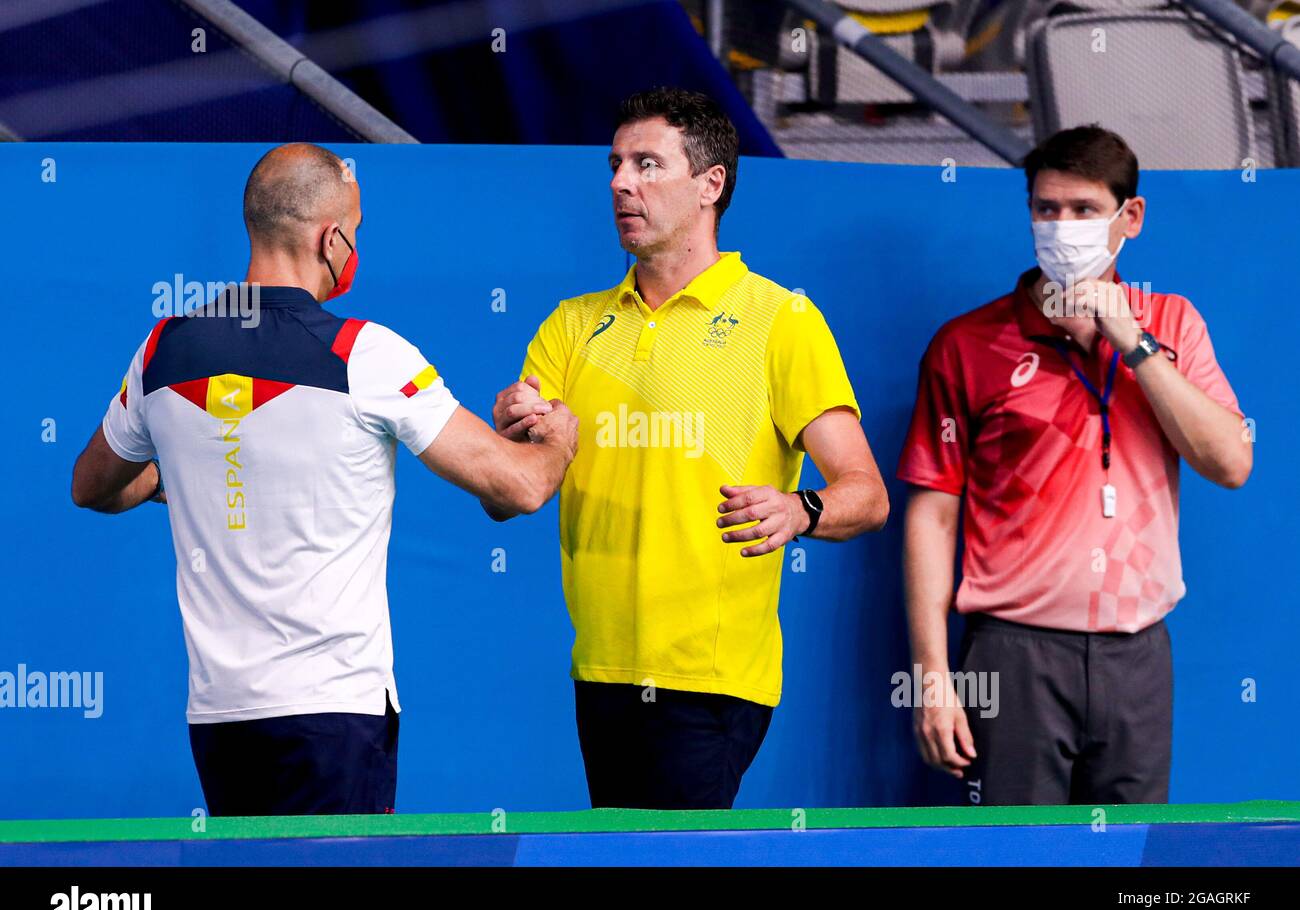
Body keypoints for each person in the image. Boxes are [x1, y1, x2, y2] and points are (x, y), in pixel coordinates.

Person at [71, 143, 577, 816]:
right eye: (356, 233)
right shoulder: (363, 354)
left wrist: (185, 473)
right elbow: (520, 487)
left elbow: (92, 485)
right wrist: (560, 442)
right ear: (329, 238)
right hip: (337, 712)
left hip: (221, 718)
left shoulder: (163, 351)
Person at [492, 88, 890, 810]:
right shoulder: (573, 325)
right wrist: (515, 430)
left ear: (712, 184)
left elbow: (866, 491)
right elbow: (506, 495)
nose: (620, 182)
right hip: (602, 669)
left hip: (710, 678)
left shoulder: (781, 320)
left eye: (648, 164)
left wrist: (801, 509)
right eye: (616, 164)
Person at [899, 126, 1251, 806]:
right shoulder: (967, 344)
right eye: (1046, 209)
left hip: (1139, 654)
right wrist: (932, 677)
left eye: (1084, 210)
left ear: (1131, 218)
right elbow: (932, 516)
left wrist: (1134, 343)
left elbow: (1231, 462)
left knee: (1130, 872)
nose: (1062, 227)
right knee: (1018, 862)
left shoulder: (1173, 324)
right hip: (1012, 654)